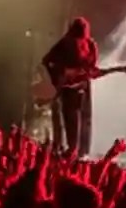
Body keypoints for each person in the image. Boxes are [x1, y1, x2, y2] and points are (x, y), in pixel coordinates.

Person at [42, 16, 99, 155]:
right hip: (72, 85)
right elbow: (47, 60)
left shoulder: (88, 44)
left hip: (79, 84)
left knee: (78, 116)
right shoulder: (70, 43)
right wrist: (60, 75)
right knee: (72, 116)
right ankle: (73, 148)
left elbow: (47, 60)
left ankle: (76, 149)